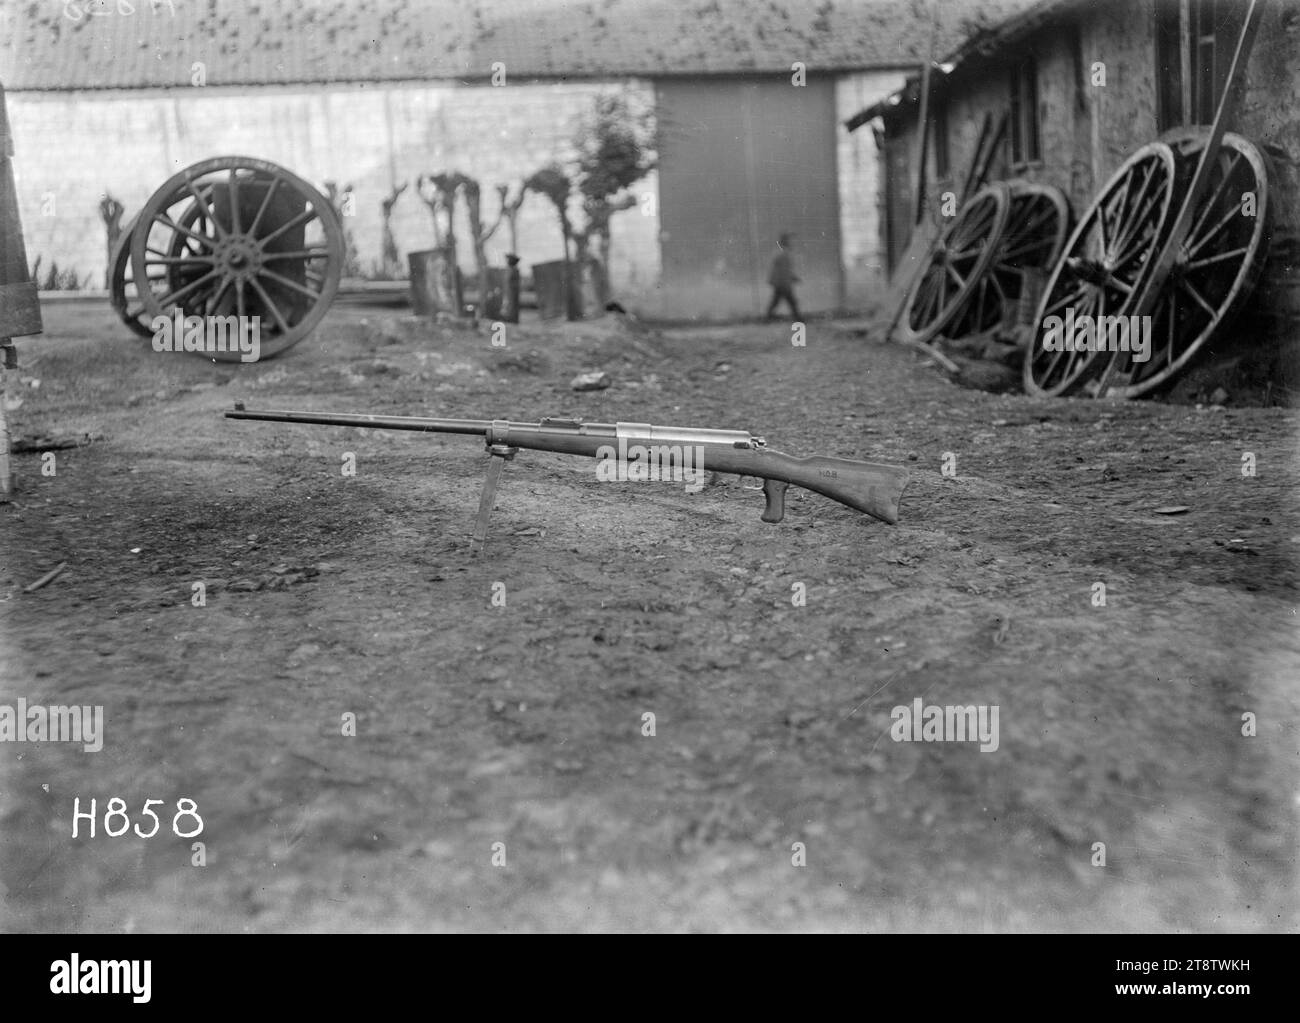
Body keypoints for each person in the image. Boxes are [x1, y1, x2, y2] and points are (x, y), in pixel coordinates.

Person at [766, 232, 802, 321]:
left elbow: (782, 269)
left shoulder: (781, 253)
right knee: (791, 301)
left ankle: (769, 317)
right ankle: (798, 318)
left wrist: (792, 277)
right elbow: (783, 270)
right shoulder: (783, 253)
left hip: (781, 282)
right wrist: (791, 278)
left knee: (777, 301)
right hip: (783, 283)